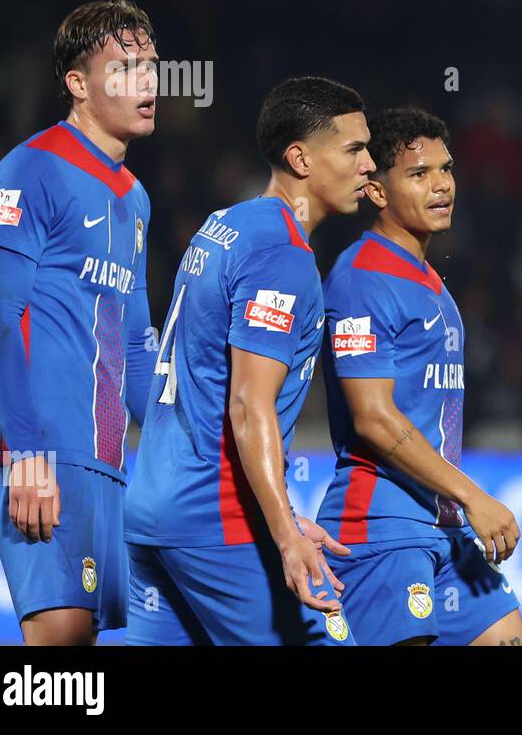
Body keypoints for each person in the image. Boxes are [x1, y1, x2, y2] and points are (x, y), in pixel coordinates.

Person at [124, 76, 374, 645]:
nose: (369, 165)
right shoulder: (280, 255)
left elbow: (204, 383)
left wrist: (279, 511)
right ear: (300, 158)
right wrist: (284, 535)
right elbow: (246, 404)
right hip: (217, 518)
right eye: (354, 149)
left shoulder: (227, 225)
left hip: (153, 510)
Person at [0, 0, 159, 645]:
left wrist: (181, 446)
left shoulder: (135, 200)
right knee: (59, 655)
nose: (147, 83)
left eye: (152, 68)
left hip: (106, 466)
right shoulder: (28, 170)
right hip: (37, 455)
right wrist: (24, 454)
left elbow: (136, 347)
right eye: (125, 68)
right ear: (78, 85)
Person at [315, 107, 522, 645]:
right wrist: (473, 496)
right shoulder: (361, 278)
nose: (441, 186)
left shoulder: (430, 280)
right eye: (418, 174)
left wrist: (459, 505)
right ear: (377, 191)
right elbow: (373, 419)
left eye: (446, 169)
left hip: (443, 527)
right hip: (383, 528)